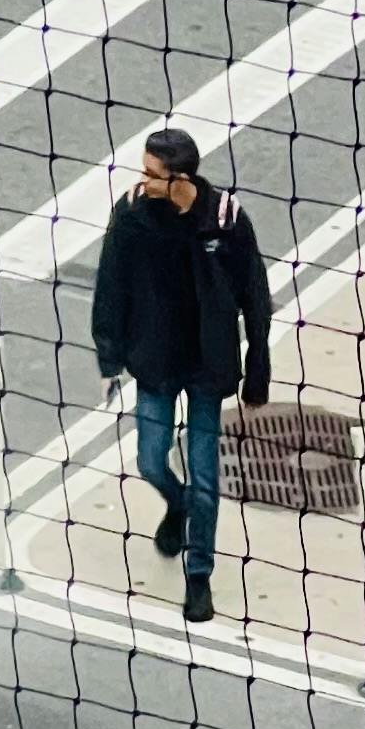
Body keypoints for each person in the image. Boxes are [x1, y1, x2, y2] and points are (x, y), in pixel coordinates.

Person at [89, 124, 274, 622]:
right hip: (155, 358)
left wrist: (257, 369)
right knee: (151, 460)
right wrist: (109, 355)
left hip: (208, 364)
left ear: (181, 179)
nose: (143, 181)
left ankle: (199, 577)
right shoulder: (132, 213)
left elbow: (256, 296)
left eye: (153, 174)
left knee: (207, 479)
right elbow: (110, 285)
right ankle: (177, 505)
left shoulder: (226, 220)